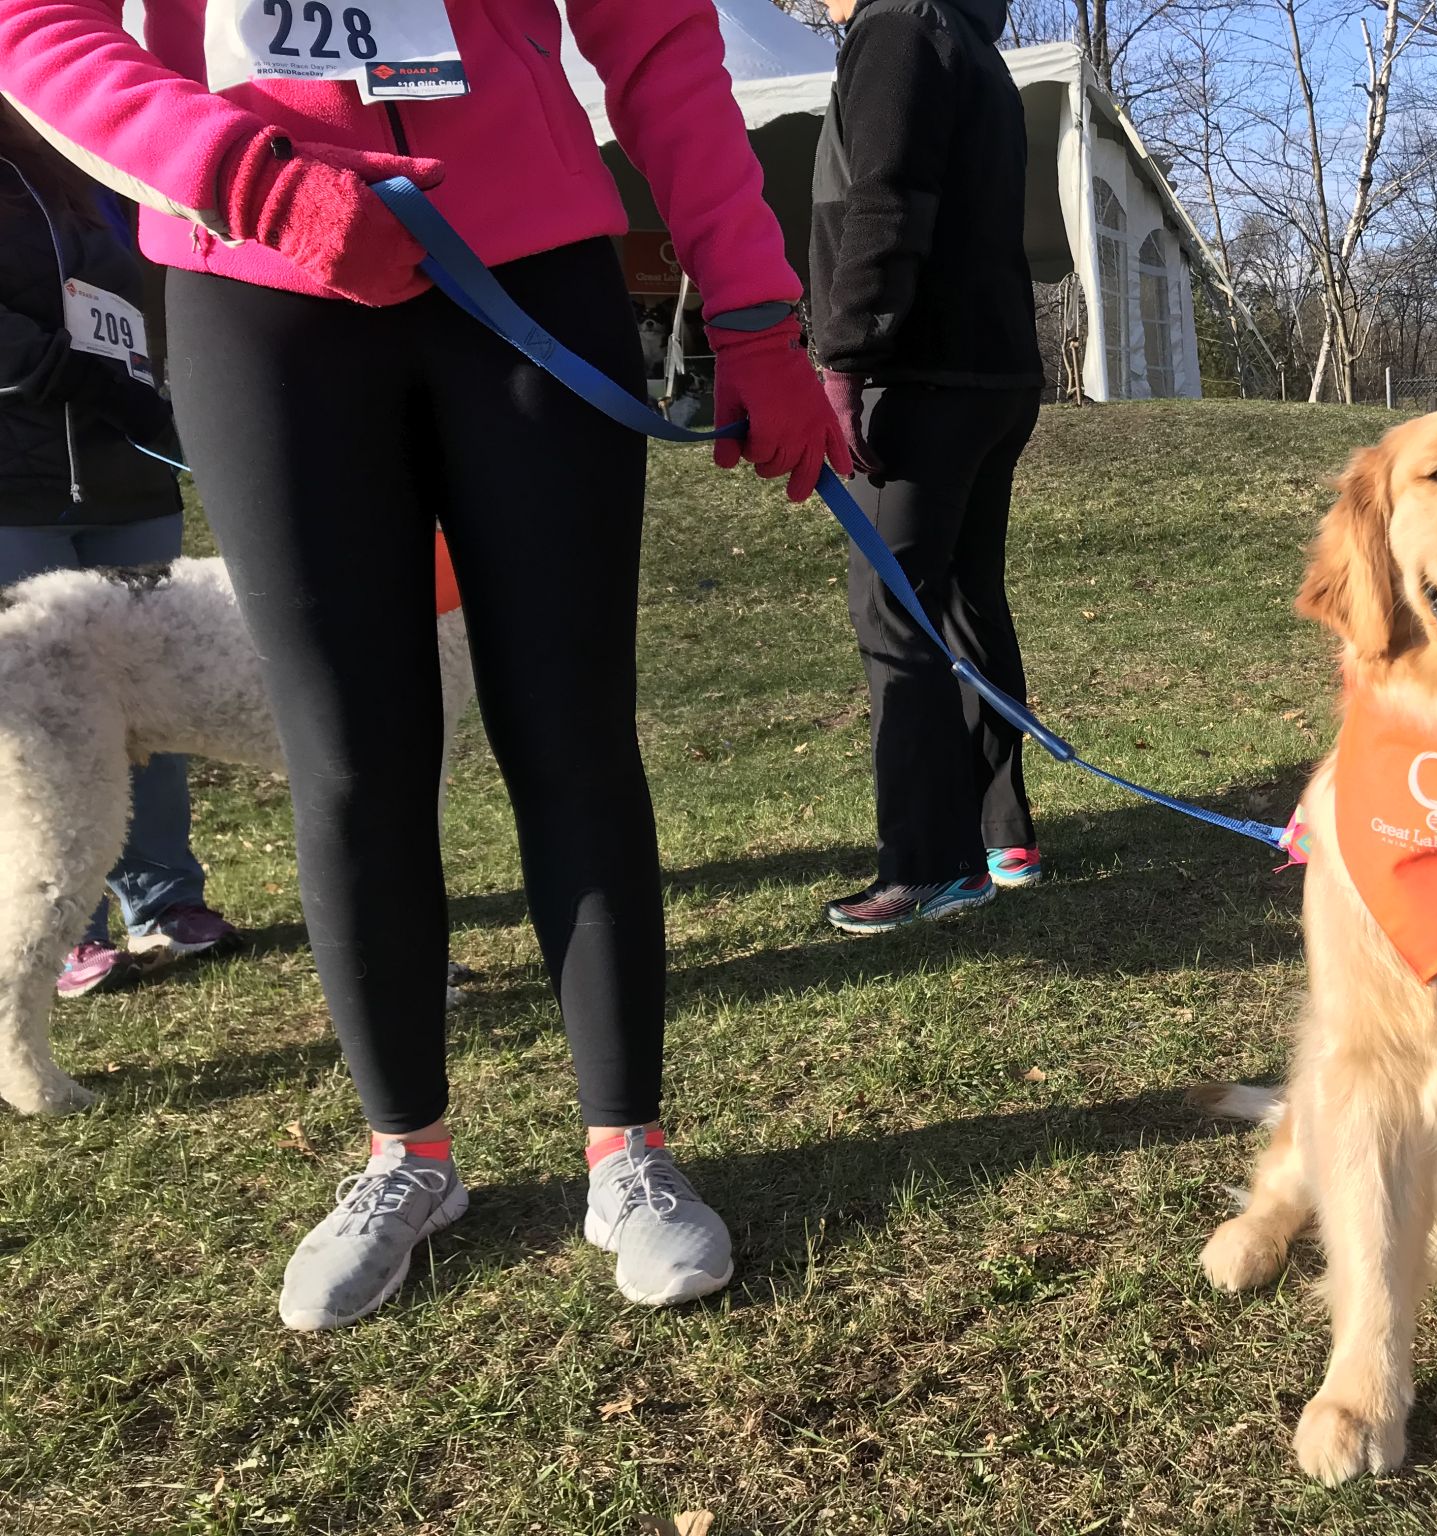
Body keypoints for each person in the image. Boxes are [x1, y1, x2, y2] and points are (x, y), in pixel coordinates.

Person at [0, 0, 847, 1329]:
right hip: (256, 280)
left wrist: (752, 310)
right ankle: (412, 1159)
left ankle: (627, 1152)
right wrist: (247, 175)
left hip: (526, 255)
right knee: (351, 758)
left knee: (570, 734)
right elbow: (36, 25)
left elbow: (659, 34)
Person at [810, 0, 1048, 935]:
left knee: (895, 613)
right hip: (991, 372)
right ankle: (1000, 835)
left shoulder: (897, 28)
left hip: (919, 374)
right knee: (962, 599)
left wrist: (843, 354)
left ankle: (929, 863)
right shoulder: (965, 37)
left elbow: (886, 197)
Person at [0, 104, 238, 998]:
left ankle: (164, 896)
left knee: (154, 699)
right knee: (39, 721)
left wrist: (154, 393)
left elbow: (153, 299)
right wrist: (47, 366)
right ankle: (65, 924)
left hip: (123, 476)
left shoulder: (89, 170)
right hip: (14, 486)